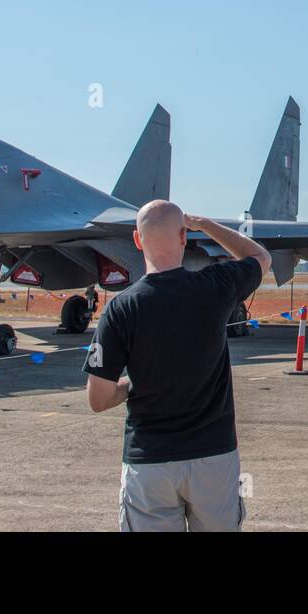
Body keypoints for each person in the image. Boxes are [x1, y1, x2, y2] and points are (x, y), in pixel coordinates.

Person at [83, 200, 270, 532]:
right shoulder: (215, 286)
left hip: (149, 463)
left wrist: (133, 384)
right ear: (184, 236)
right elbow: (260, 258)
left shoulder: (120, 309)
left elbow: (98, 398)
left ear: (137, 240)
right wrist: (208, 226)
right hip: (214, 457)